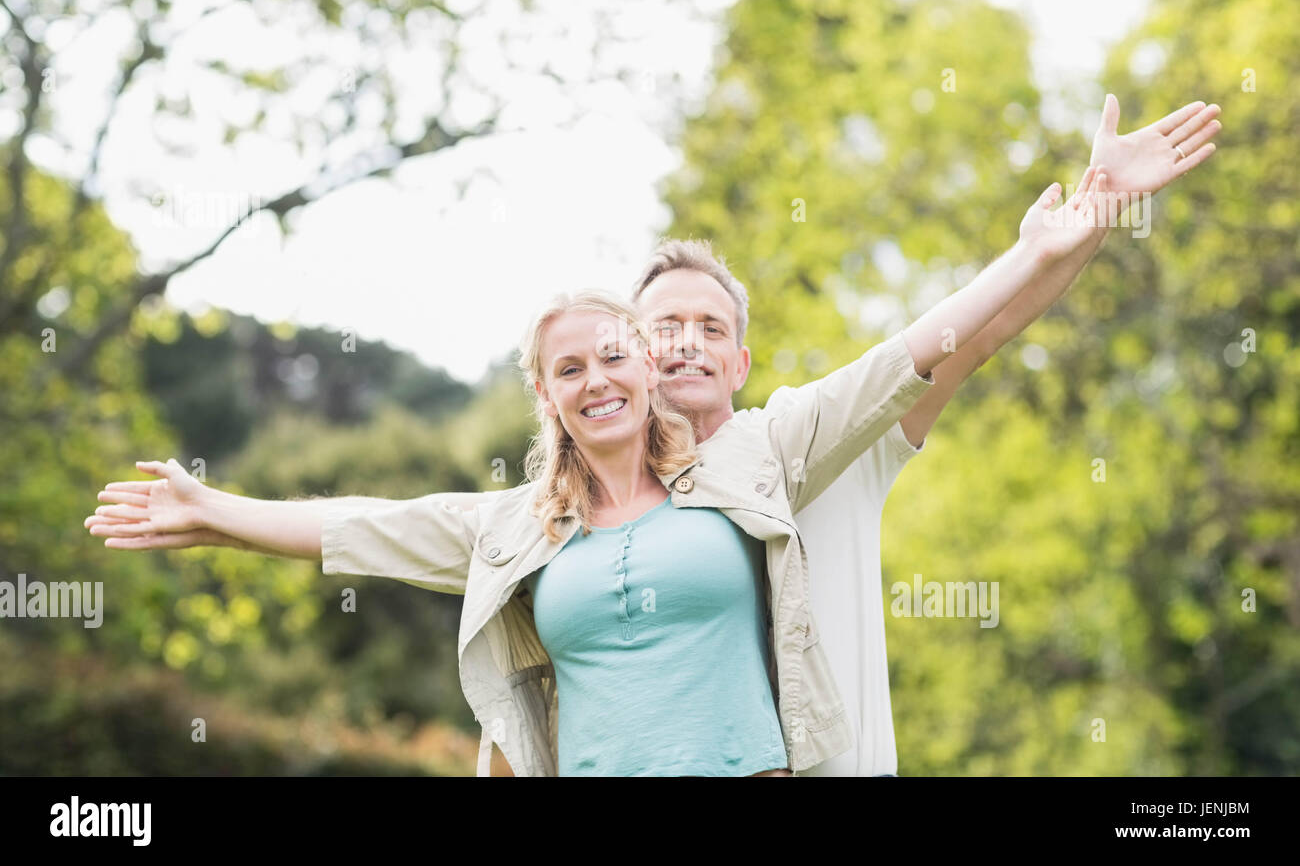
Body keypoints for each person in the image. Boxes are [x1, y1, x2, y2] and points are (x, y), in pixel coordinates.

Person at [86, 168, 1113, 775]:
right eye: (571, 367)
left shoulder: (756, 455)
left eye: (615, 353)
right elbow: (369, 524)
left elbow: (915, 354)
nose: (607, 374)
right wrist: (212, 508)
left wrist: (1038, 253)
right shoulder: (521, 524)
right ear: (547, 396)